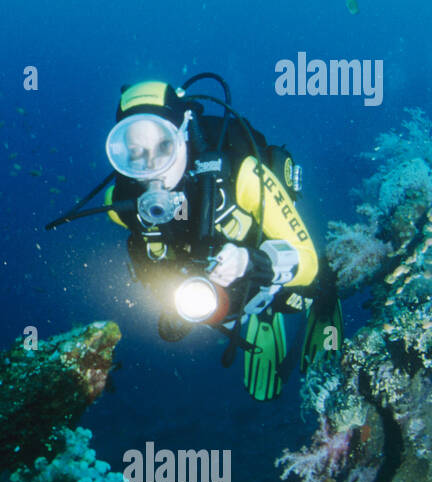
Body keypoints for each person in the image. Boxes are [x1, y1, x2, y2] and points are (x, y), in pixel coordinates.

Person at [47, 74, 342, 400]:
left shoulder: (243, 174)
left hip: (263, 266)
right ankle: (242, 308)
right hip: (206, 282)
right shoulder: (120, 206)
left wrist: (249, 260)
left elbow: (307, 259)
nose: (152, 167)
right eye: (134, 152)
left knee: (299, 295)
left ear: (184, 134)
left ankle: (310, 299)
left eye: (163, 146)